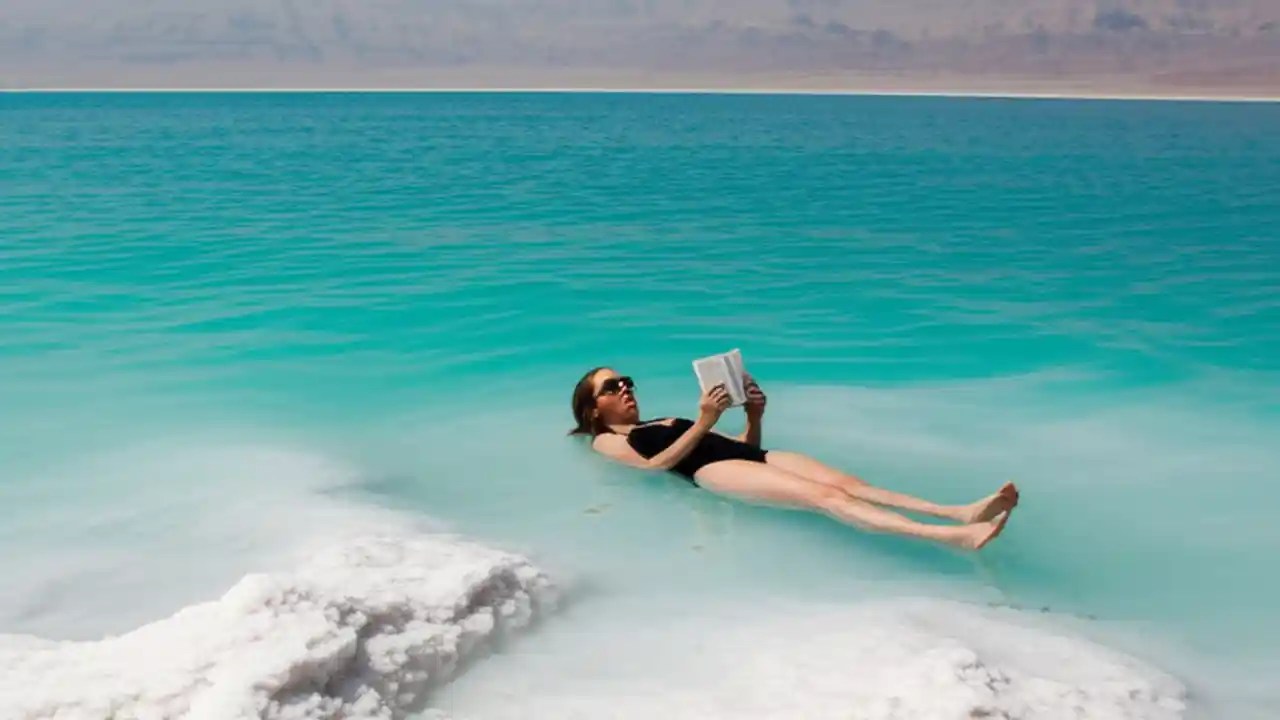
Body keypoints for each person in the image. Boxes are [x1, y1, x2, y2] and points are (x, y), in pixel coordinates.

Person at [569, 367, 1016, 551]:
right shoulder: (605, 439)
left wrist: (754, 414)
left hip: (743, 455)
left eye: (626, 381)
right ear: (593, 410)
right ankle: (947, 538)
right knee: (824, 497)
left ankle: (958, 511)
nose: (624, 388)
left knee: (854, 486)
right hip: (709, 470)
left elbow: (742, 443)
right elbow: (653, 467)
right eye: (611, 388)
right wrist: (704, 422)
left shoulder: (667, 416)